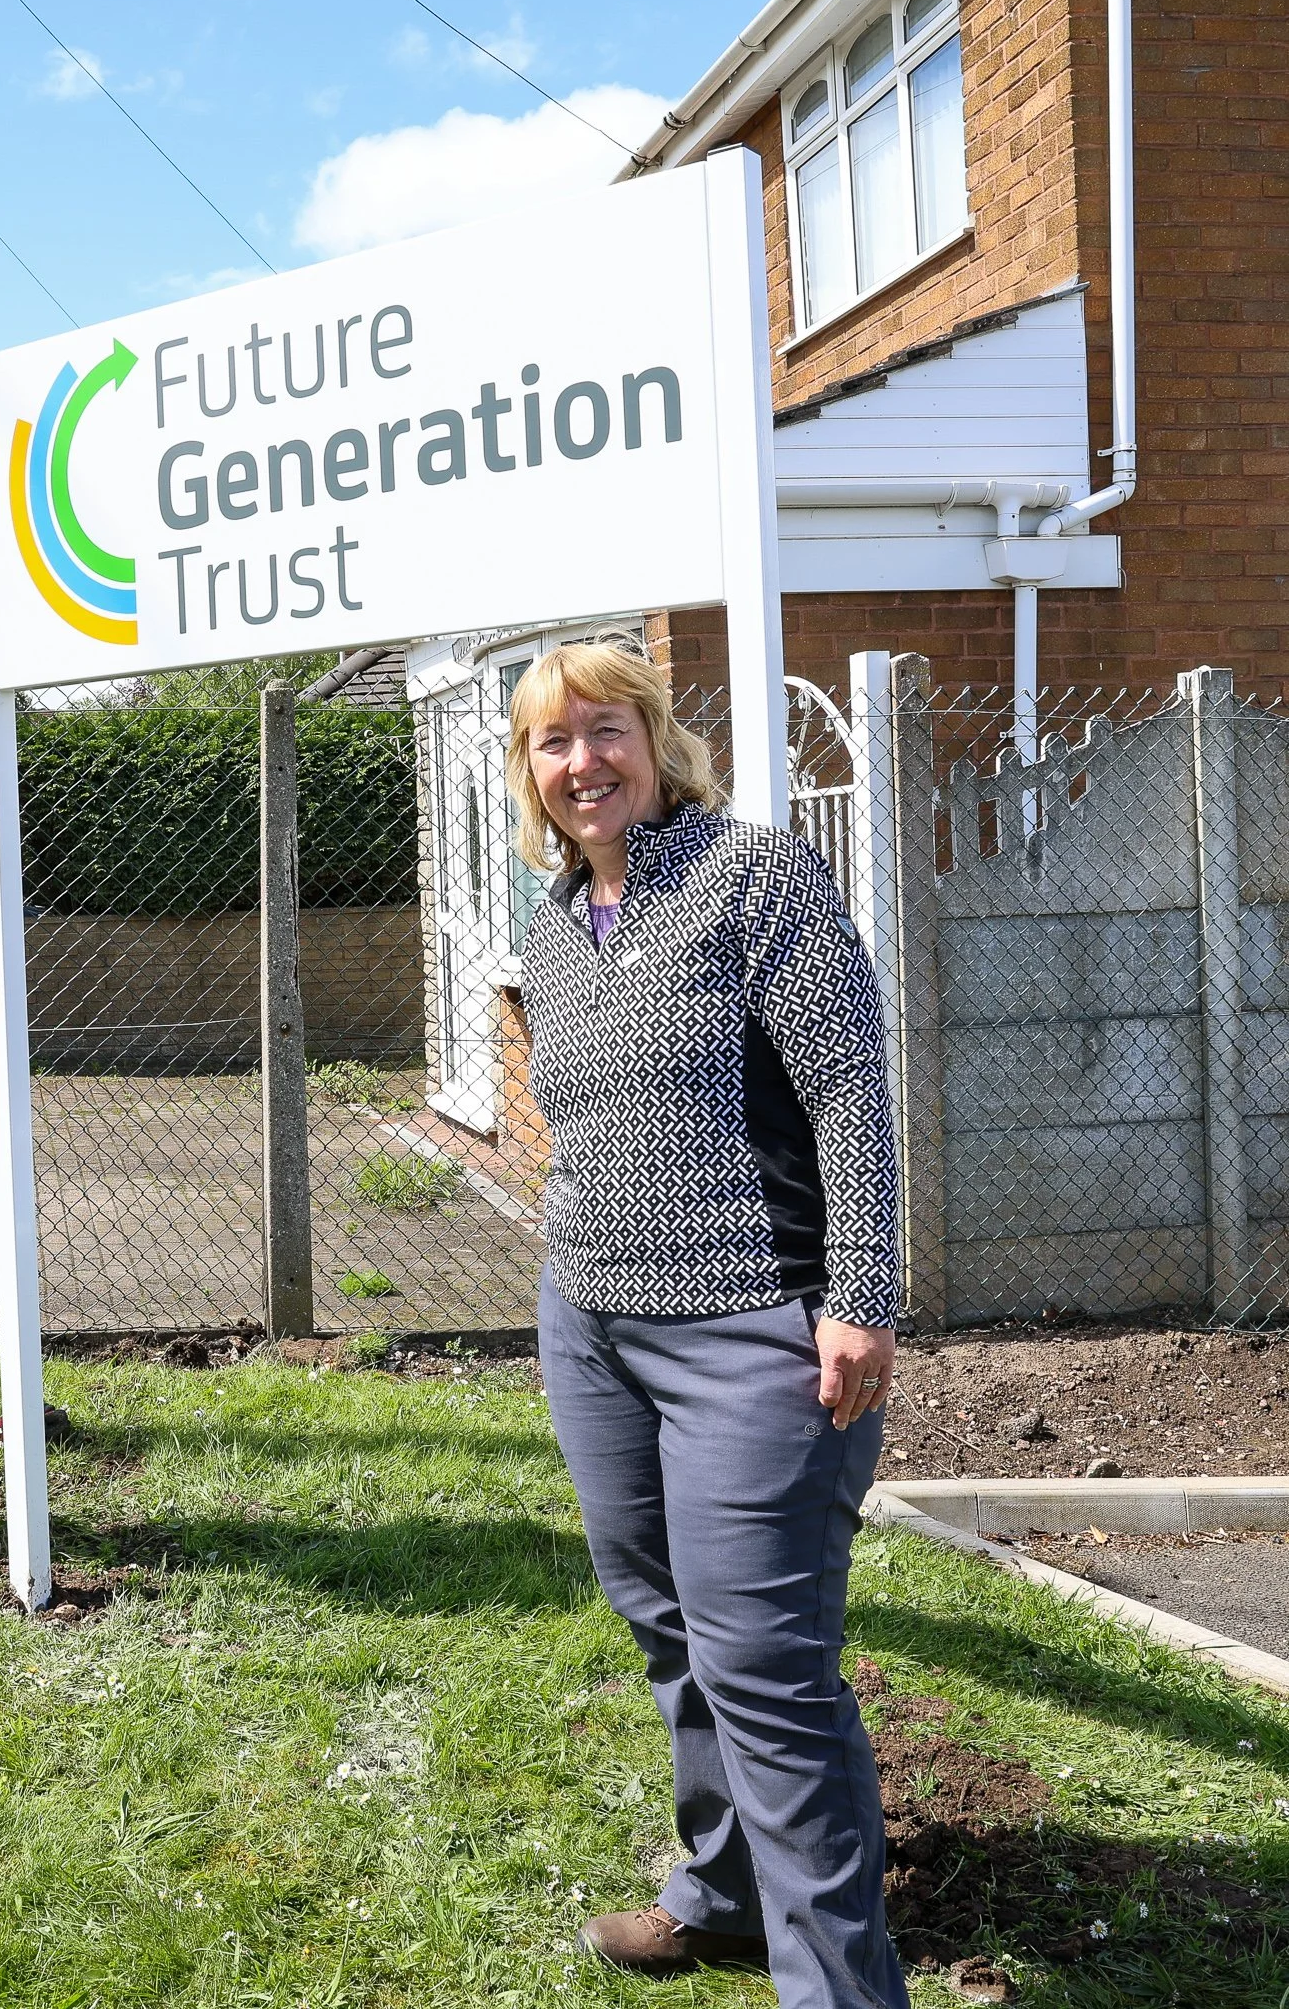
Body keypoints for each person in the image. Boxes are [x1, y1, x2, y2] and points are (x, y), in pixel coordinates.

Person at [507, 639, 907, 2009]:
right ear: (532, 773)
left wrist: (859, 1299)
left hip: (756, 1326)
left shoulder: (753, 876)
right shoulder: (555, 925)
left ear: (655, 738)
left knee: (769, 1670)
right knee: (668, 1625)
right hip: (595, 1326)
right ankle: (726, 1895)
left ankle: (841, 1991)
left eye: (603, 731)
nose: (582, 765)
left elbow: (852, 1086)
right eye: (554, 745)